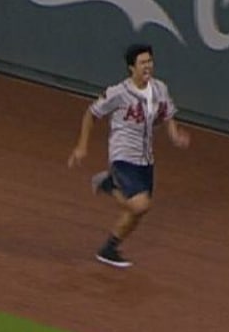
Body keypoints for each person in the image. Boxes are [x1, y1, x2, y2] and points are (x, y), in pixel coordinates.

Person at [67, 43, 191, 267]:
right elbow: (91, 113)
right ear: (131, 68)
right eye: (143, 62)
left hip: (146, 160)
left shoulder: (160, 89)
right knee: (140, 205)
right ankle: (108, 183)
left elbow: (167, 114)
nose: (148, 66)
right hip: (122, 156)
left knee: (138, 211)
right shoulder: (119, 93)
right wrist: (81, 146)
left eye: (150, 61)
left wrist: (174, 135)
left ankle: (109, 248)